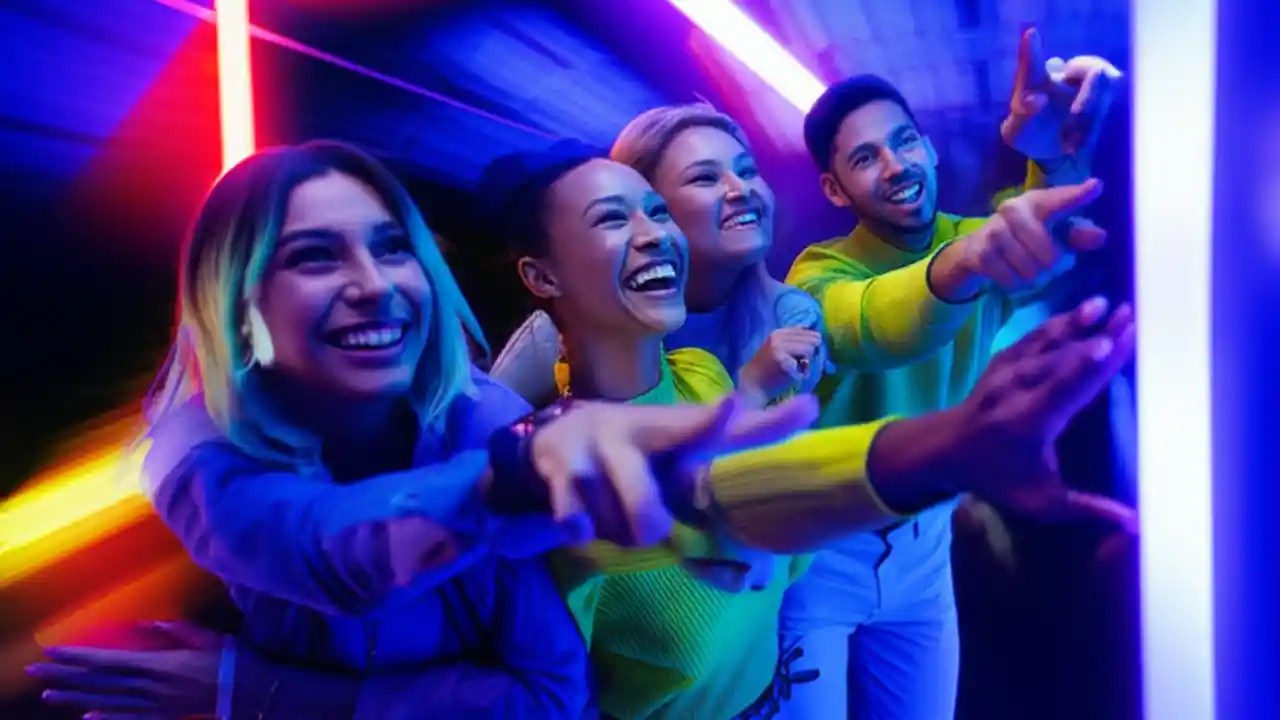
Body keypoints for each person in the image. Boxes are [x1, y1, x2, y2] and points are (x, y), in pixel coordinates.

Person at [34, 143, 1135, 720]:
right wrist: (518, 475)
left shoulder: (647, 382)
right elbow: (331, 552)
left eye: (389, 247)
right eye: (316, 255)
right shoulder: (200, 450)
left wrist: (946, 450)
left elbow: (727, 486)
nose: (371, 284)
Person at [778, 29, 1124, 720]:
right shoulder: (818, 274)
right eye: (865, 158)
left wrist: (1056, 149)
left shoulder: (973, 237)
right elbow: (879, 324)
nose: (897, 165)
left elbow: (1041, 239)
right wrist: (970, 263)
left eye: (904, 141)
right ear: (834, 187)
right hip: (819, 550)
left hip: (923, 551)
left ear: (929, 147)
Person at [490, 104, 826, 411]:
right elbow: (486, 425)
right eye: (704, 178)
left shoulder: (785, 318)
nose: (742, 189)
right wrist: (750, 393)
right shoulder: (563, 328)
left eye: (749, 171)